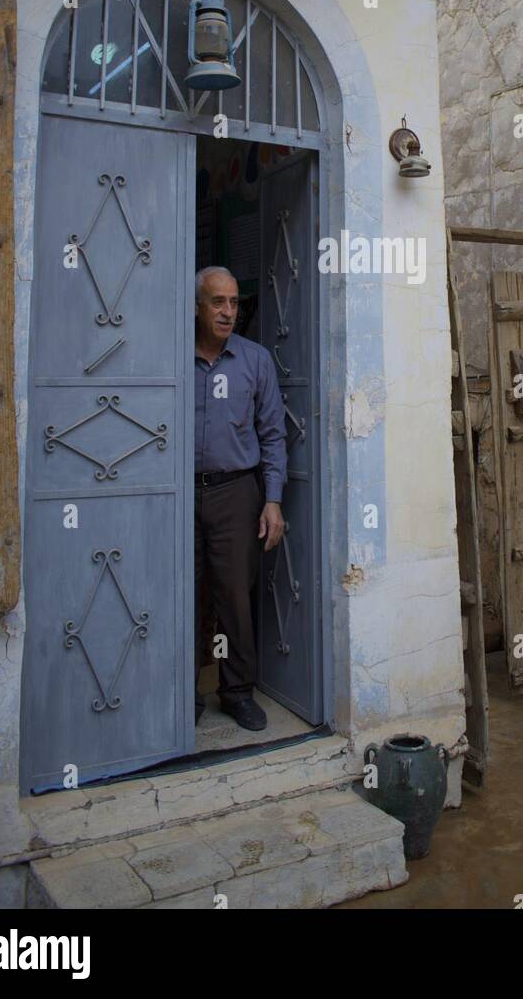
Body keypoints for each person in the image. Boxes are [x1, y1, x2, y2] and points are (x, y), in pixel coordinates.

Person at [193, 265, 287, 730]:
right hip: (179, 495)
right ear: (197, 306)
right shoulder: (173, 357)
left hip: (235, 493)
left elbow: (273, 435)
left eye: (234, 303)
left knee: (234, 597)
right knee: (183, 595)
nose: (228, 312)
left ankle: (235, 691)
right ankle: (182, 693)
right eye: (218, 302)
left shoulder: (255, 361)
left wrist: (272, 500)